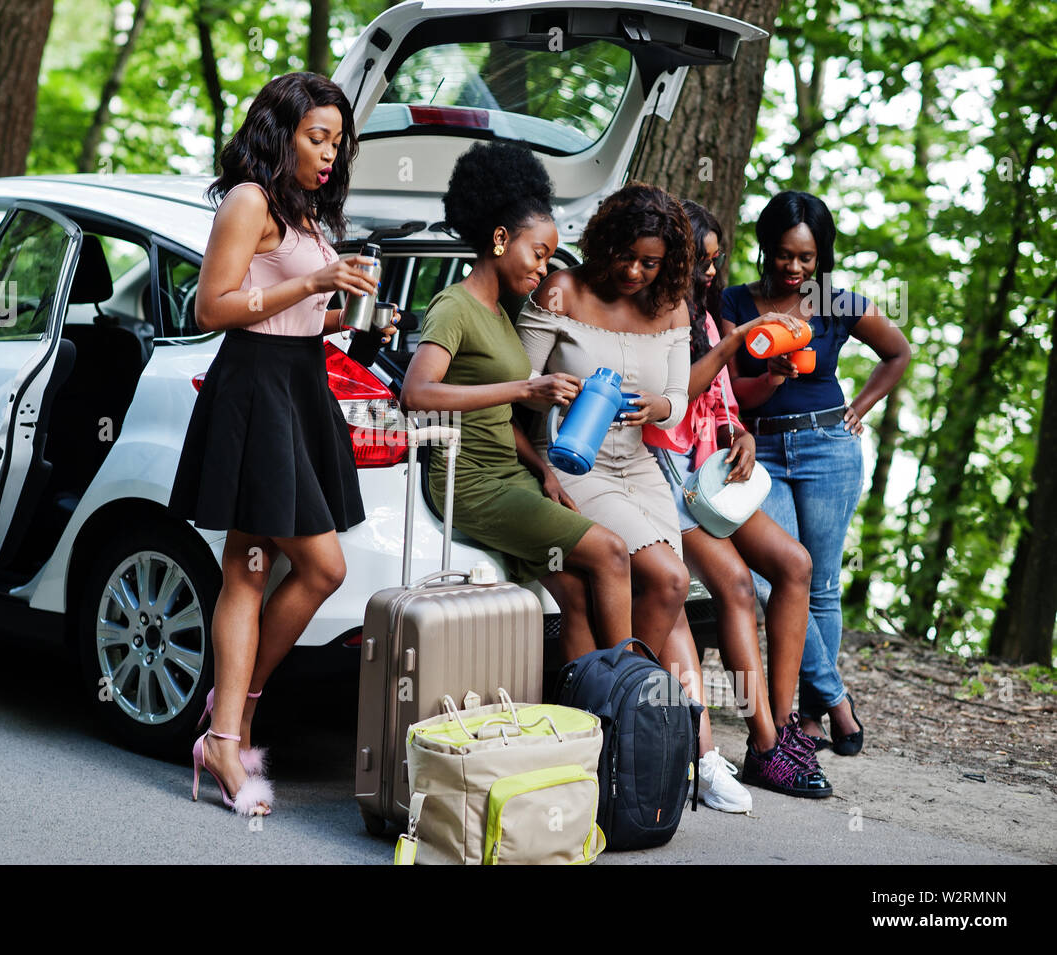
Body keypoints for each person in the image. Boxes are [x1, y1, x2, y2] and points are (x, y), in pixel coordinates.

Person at [168, 72, 397, 816]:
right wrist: (313, 286)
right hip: (256, 388)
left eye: (338, 141)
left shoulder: (303, 214)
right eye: (316, 137)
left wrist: (349, 322)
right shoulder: (248, 200)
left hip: (298, 384)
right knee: (263, 566)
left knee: (279, 567)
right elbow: (212, 306)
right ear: (281, 133)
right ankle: (229, 735)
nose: (330, 153)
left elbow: (290, 314)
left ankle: (230, 723)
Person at [518, 182, 737, 800]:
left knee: (664, 583)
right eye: (629, 257)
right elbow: (517, 388)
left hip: (638, 466)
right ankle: (627, 716)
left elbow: (677, 403)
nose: (638, 272)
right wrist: (542, 464)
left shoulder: (670, 309)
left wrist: (654, 405)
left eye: (653, 262)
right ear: (606, 243)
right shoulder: (561, 289)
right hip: (575, 463)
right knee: (669, 579)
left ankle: (611, 721)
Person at [401, 142, 633, 662]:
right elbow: (416, 395)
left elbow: (495, 418)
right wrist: (526, 389)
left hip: (511, 475)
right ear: (501, 239)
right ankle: (630, 695)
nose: (543, 268)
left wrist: (544, 471)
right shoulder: (454, 307)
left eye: (550, 258)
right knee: (612, 553)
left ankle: (594, 716)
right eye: (539, 253)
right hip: (469, 484)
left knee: (573, 595)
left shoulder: (503, 314)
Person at [642, 199, 832, 806]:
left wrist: (740, 432)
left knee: (796, 565)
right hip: (667, 481)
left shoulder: (706, 318)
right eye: (699, 261)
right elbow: (671, 398)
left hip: (712, 475)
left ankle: (772, 740)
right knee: (737, 586)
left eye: (715, 263)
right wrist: (730, 346)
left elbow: (721, 400)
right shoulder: (655, 318)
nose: (709, 274)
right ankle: (767, 742)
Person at [724, 190, 910, 756]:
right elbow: (731, 389)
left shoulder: (838, 302)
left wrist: (860, 408)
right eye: (784, 254)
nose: (795, 267)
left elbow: (898, 353)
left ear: (821, 256)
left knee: (822, 588)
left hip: (830, 446)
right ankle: (838, 702)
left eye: (807, 257)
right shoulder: (734, 302)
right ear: (766, 249)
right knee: (773, 579)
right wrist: (775, 377)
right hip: (762, 452)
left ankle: (807, 717)